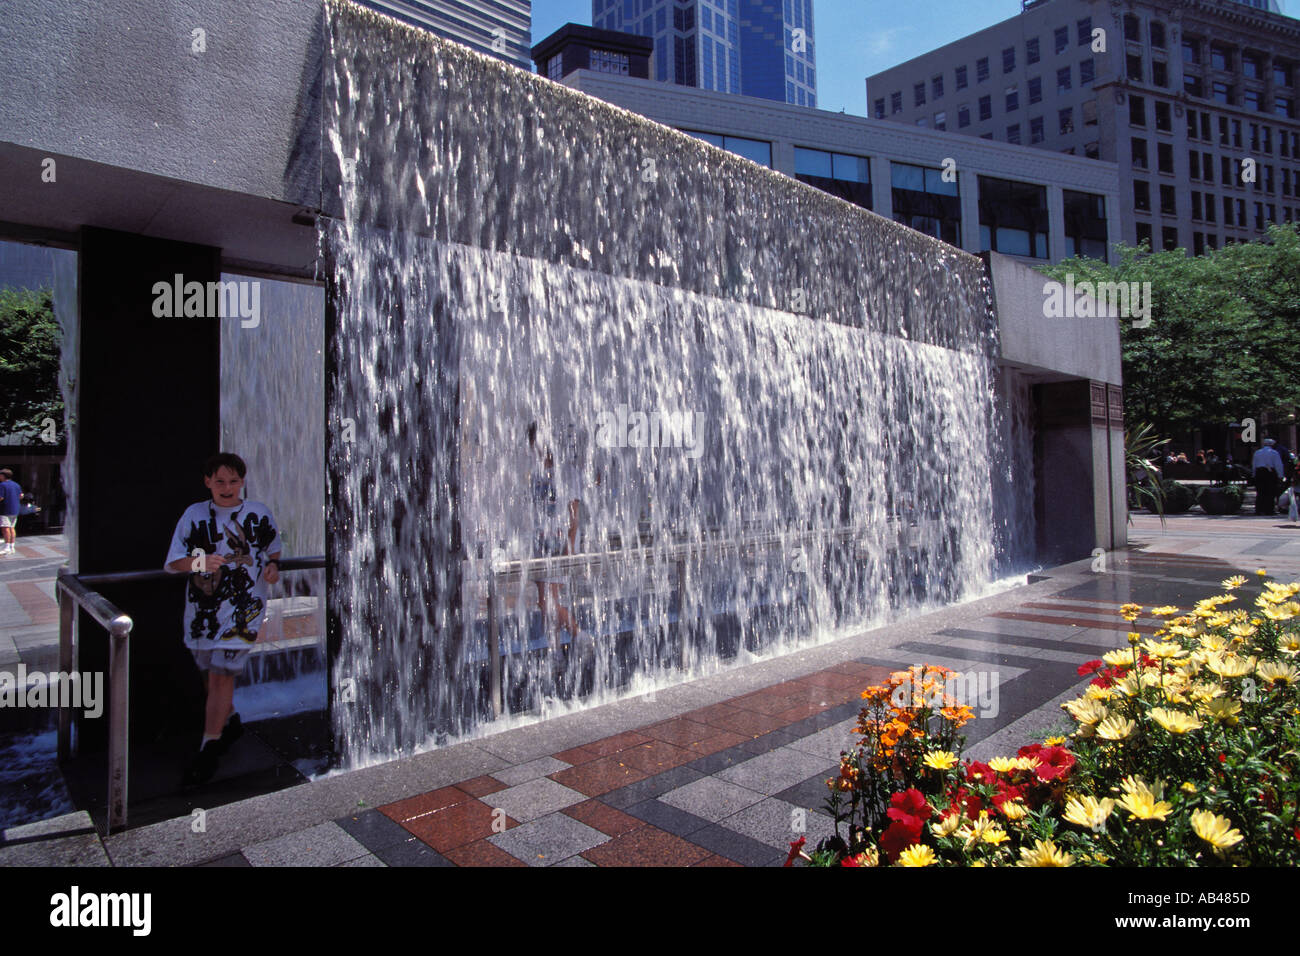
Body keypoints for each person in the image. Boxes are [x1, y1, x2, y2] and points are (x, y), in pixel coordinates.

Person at [165, 453, 281, 785]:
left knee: (219, 676)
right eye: (220, 481)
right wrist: (199, 564)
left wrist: (274, 566)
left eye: (233, 481)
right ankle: (228, 721)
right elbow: (174, 562)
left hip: (245, 610)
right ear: (207, 482)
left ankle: (209, 748)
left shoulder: (258, 513)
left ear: (243, 481)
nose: (227, 488)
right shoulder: (193, 515)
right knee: (208, 672)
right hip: (202, 610)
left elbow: (273, 547)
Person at [1252, 438, 1286, 516]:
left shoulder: (1257, 452)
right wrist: (1280, 475)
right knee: (1270, 492)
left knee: (1260, 492)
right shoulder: (1274, 453)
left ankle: (1259, 510)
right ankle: (1269, 510)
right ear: (1272, 445)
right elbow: (1278, 465)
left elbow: (1254, 464)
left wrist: (1254, 474)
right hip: (1270, 473)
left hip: (1259, 472)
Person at [0, 468, 21, 556]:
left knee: (5, 529)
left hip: (5, 510)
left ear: (3, 476)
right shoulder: (16, 485)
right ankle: (12, 547)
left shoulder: (2, 485)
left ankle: (7, 547)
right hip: (15, 510)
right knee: (12, 528)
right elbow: (21, 496)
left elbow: (1, 497)